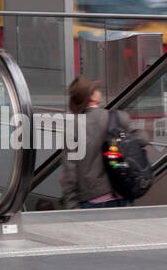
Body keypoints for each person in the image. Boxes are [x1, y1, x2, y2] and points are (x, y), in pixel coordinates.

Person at [60, 77, 144, 209]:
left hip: (92, 199)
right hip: (123, 193)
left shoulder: (73, 128)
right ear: (91, 97)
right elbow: (142, 139)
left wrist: (72, 206)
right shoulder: (118, 117)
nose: (99, 91)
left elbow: (70, 173)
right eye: (96, 89)